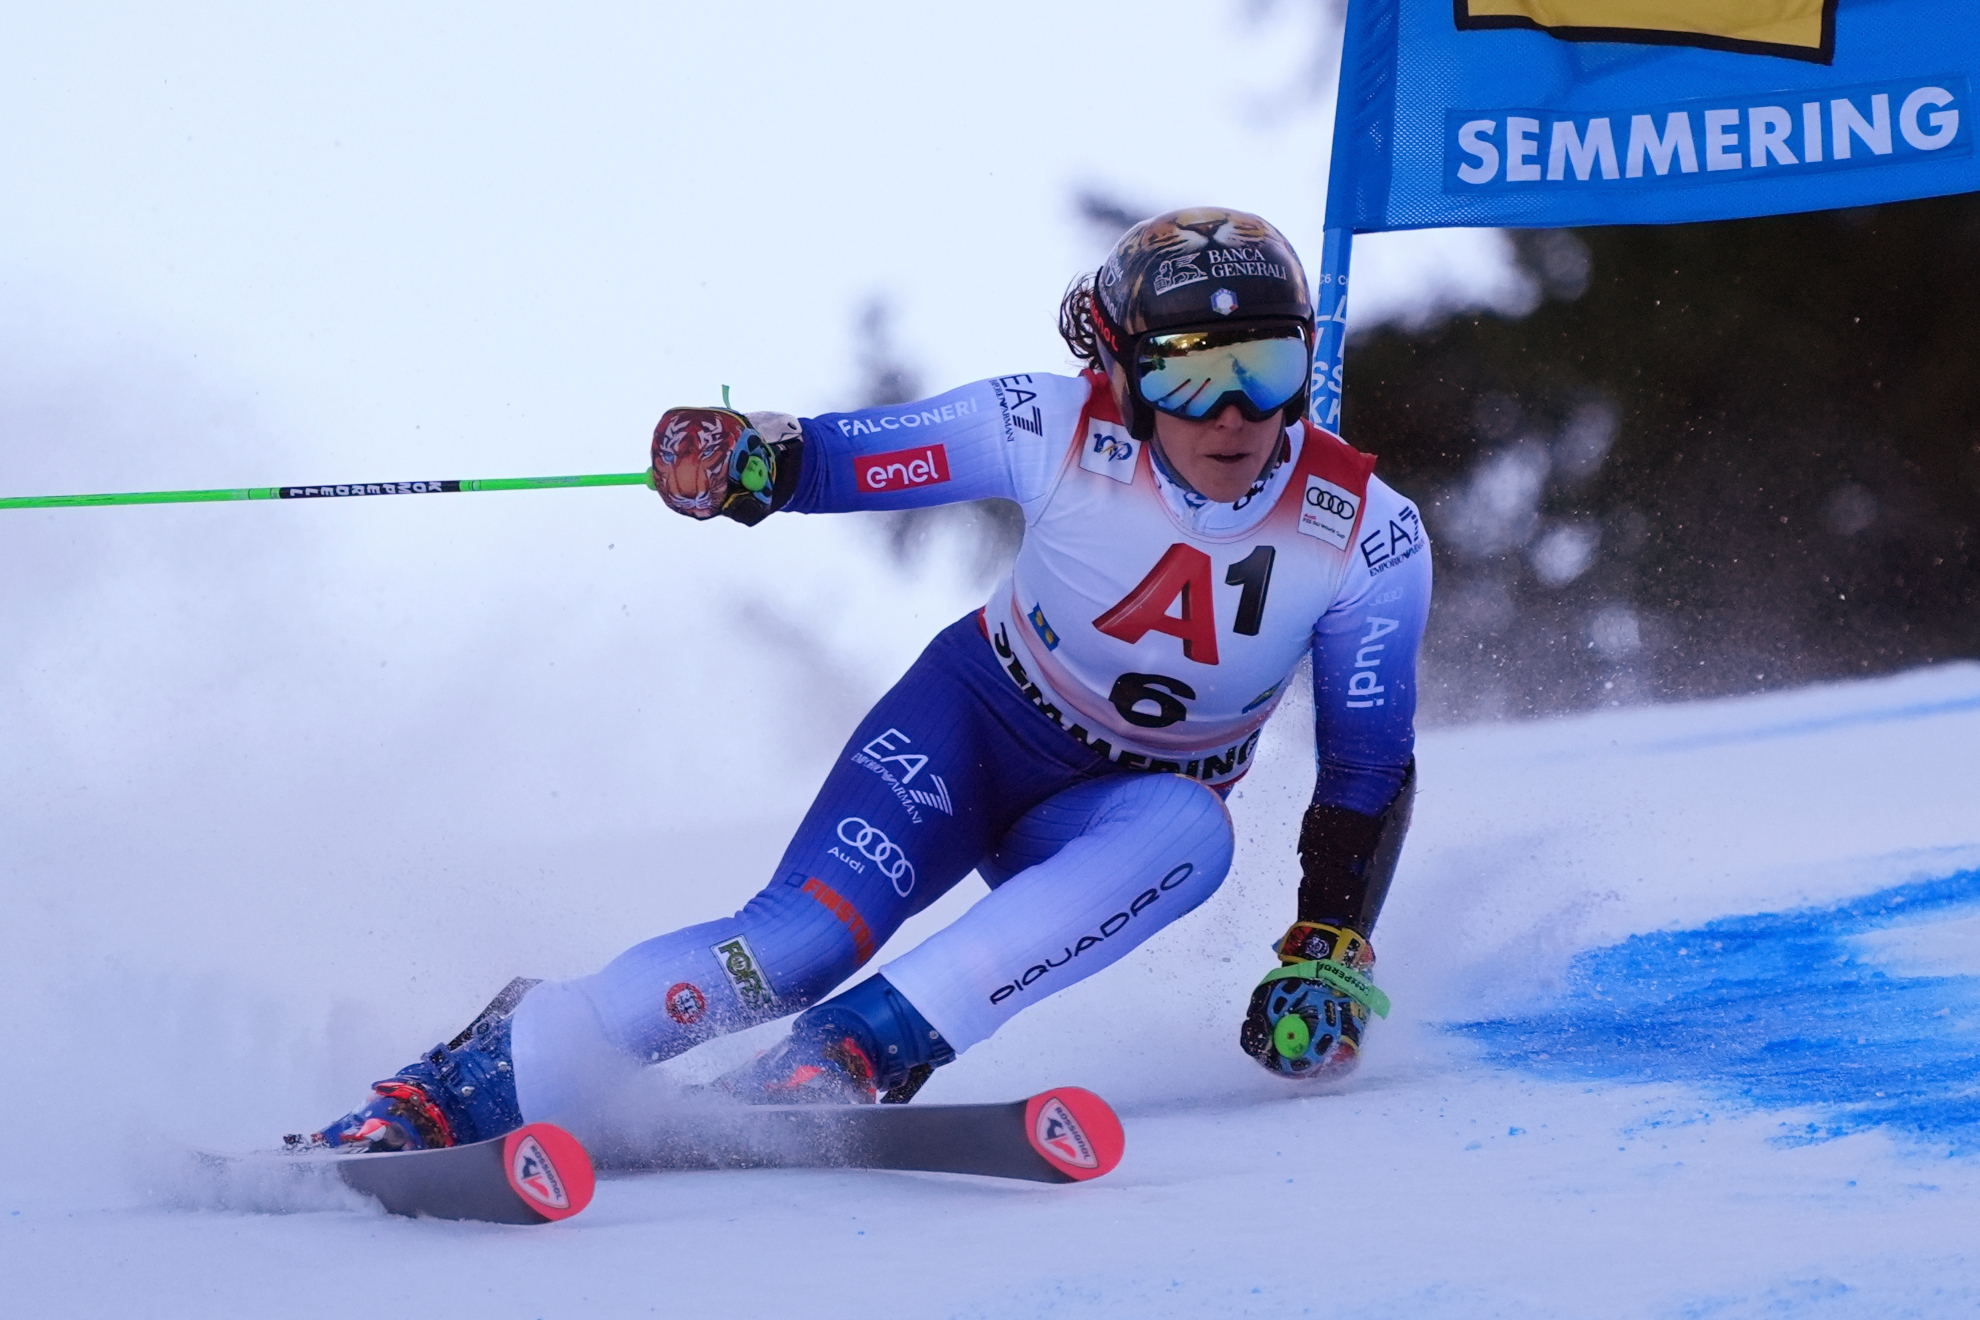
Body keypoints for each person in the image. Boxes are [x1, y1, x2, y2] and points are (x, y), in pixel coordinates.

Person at [301, 207, 1432, 1154]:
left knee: (1192, 834)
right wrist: (753, 460)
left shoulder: (1368, 535)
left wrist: (1329, 947)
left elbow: (1370, 760)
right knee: (799, 945)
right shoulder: (1046, 425)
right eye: (1190, 379)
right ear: (1124, 376)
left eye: (1267, 367)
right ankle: (473, 1081)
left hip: (1115, 810)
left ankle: (854, 1051)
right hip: (973, 729)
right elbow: (854, 452)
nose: (1234, 415)